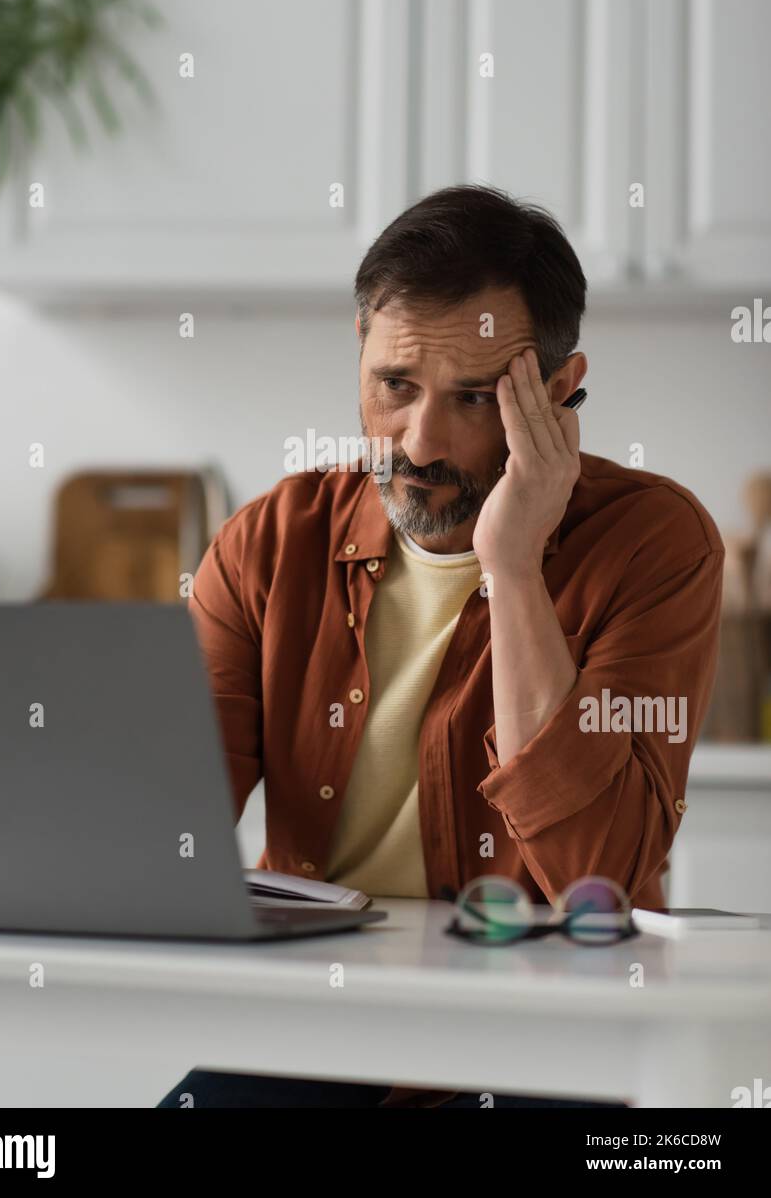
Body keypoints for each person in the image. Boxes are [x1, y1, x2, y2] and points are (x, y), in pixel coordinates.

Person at [157, 185, 723, 1108]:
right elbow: (164, 838)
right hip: (312, 1032)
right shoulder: (272, 540)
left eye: (472, 399)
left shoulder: (652, 543)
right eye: (394, 388)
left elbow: (599, 875)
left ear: (558, 389)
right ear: (360, 359)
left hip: (544, 1042)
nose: (419, 442)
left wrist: (512, 566)